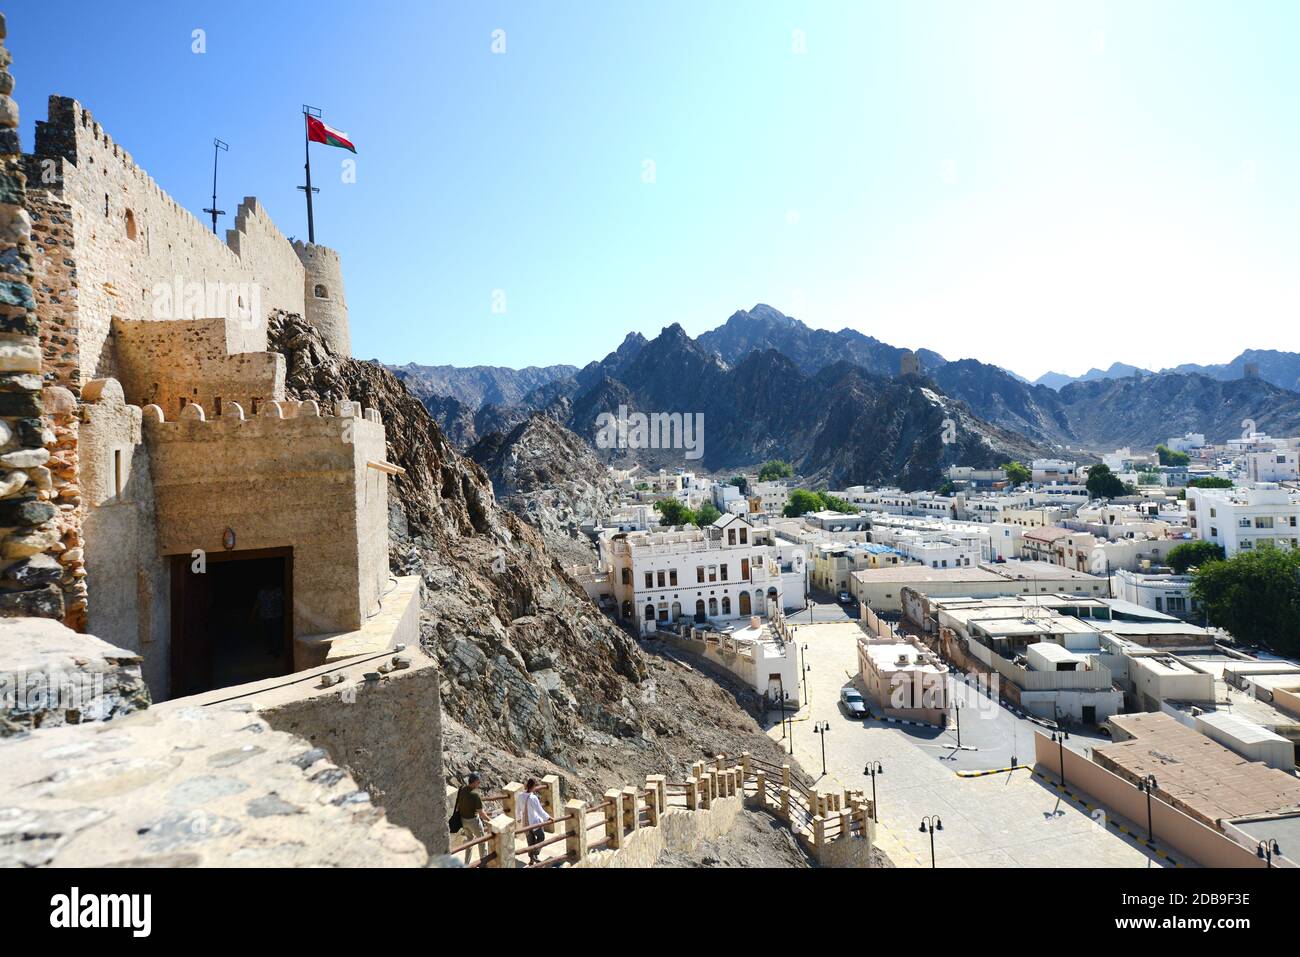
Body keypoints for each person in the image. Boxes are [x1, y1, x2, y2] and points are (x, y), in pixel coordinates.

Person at [453, 773, 492, 864]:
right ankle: (484, 863)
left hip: (463, 820)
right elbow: (481, 813)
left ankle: (466, 863)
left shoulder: (462, 790)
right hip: (473, 821)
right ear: (474, 782)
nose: (479, 784)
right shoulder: (475, 795)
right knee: (482, 841)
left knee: (469, 841)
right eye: (478, 782)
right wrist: (491, 821)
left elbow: (458, 805)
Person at [520, 777, 552, 864]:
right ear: (533, 786)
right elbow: (540, 811)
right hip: (534, 822)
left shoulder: (520, 795)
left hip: (525, 823)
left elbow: (518, 809)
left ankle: (531, 859)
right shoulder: (533, 798)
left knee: (530, 841)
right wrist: (548, 817)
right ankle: (535, 854)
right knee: (541, 837)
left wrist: (519, 818)